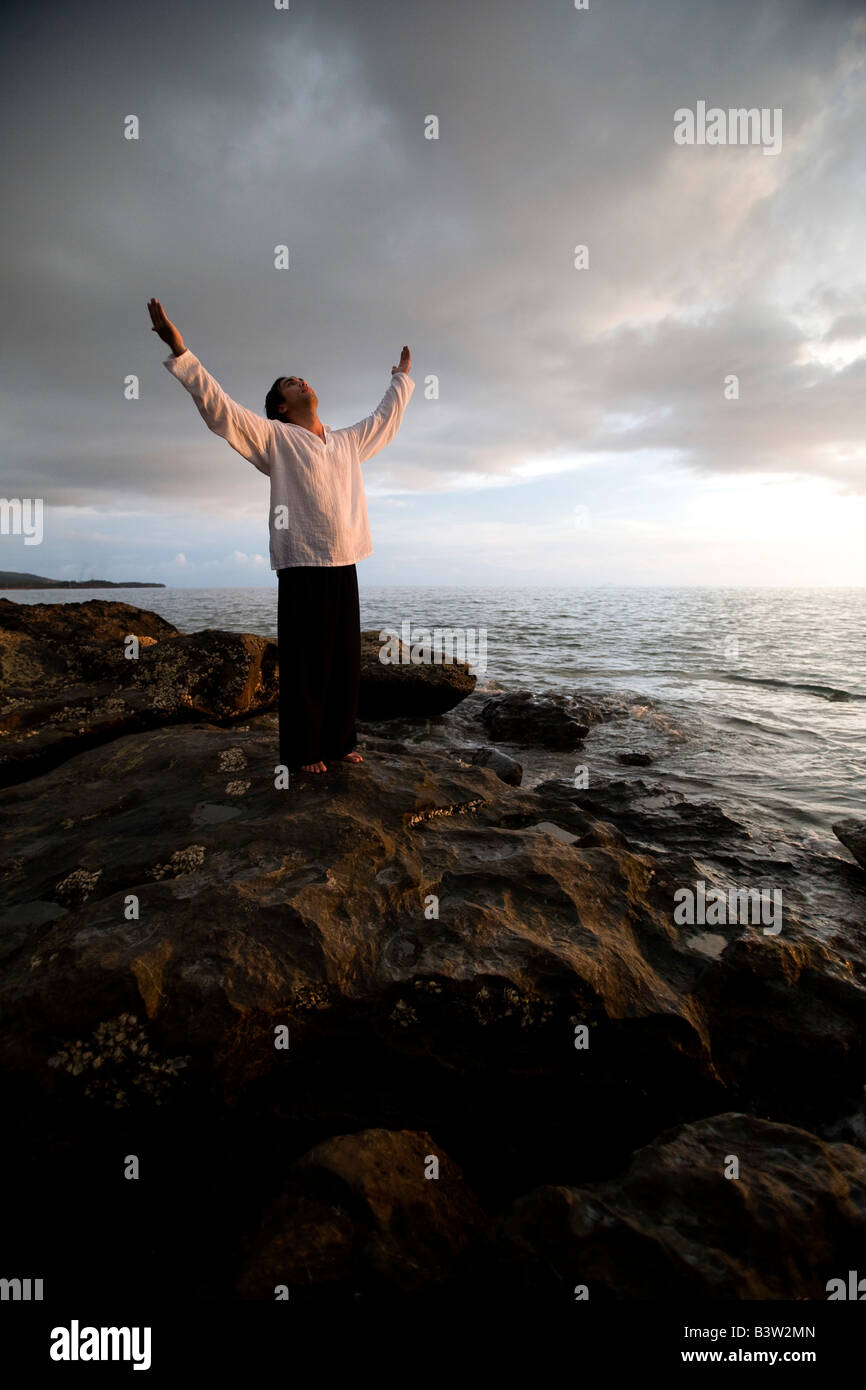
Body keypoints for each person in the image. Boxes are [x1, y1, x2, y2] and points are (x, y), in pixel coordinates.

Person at [147, 298, 413, 775]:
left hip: (344, 560)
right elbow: (220, 409)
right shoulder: (273, 436)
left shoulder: (347, 441)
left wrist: (401, 380)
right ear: (282, 406)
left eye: (302, 377)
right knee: (305, 661)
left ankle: (338, 741)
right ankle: (302, 750)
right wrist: (181, 351)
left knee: (343, 662)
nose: (302, 381)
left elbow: (384, 420)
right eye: (292, 383)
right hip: (301, 561)